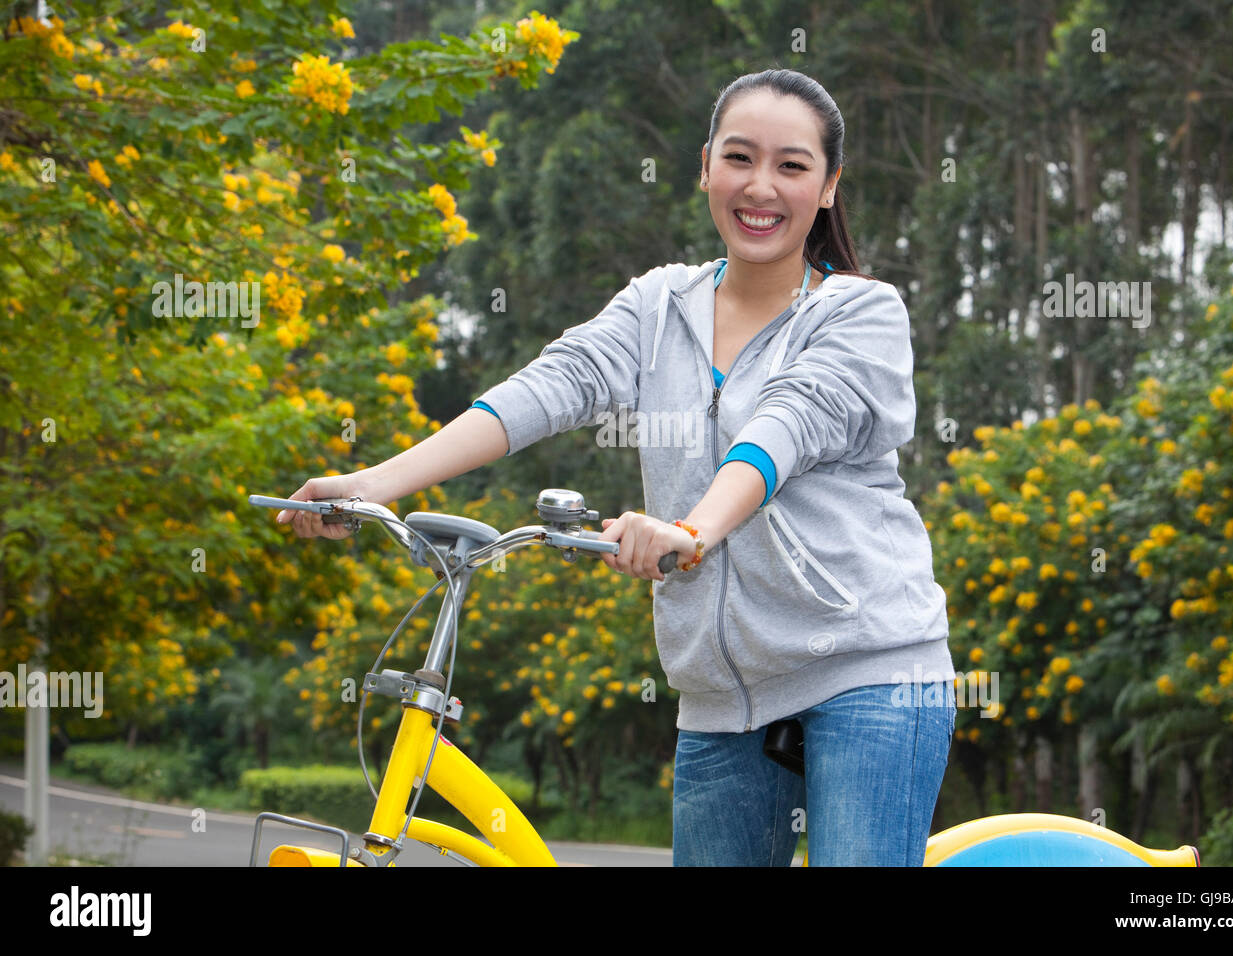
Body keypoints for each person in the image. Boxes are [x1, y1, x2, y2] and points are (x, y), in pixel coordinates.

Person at [276, 68, 956, 867]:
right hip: (716, 701)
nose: (760, 187)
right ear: (705, 165)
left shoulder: (859, 311)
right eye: (739, 158)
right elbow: (546, 388)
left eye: (793, 166)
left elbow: (788, 425)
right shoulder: (658, 305)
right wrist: (373, 483)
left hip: (867, 674)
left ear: (830, 186)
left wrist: (691, 528)